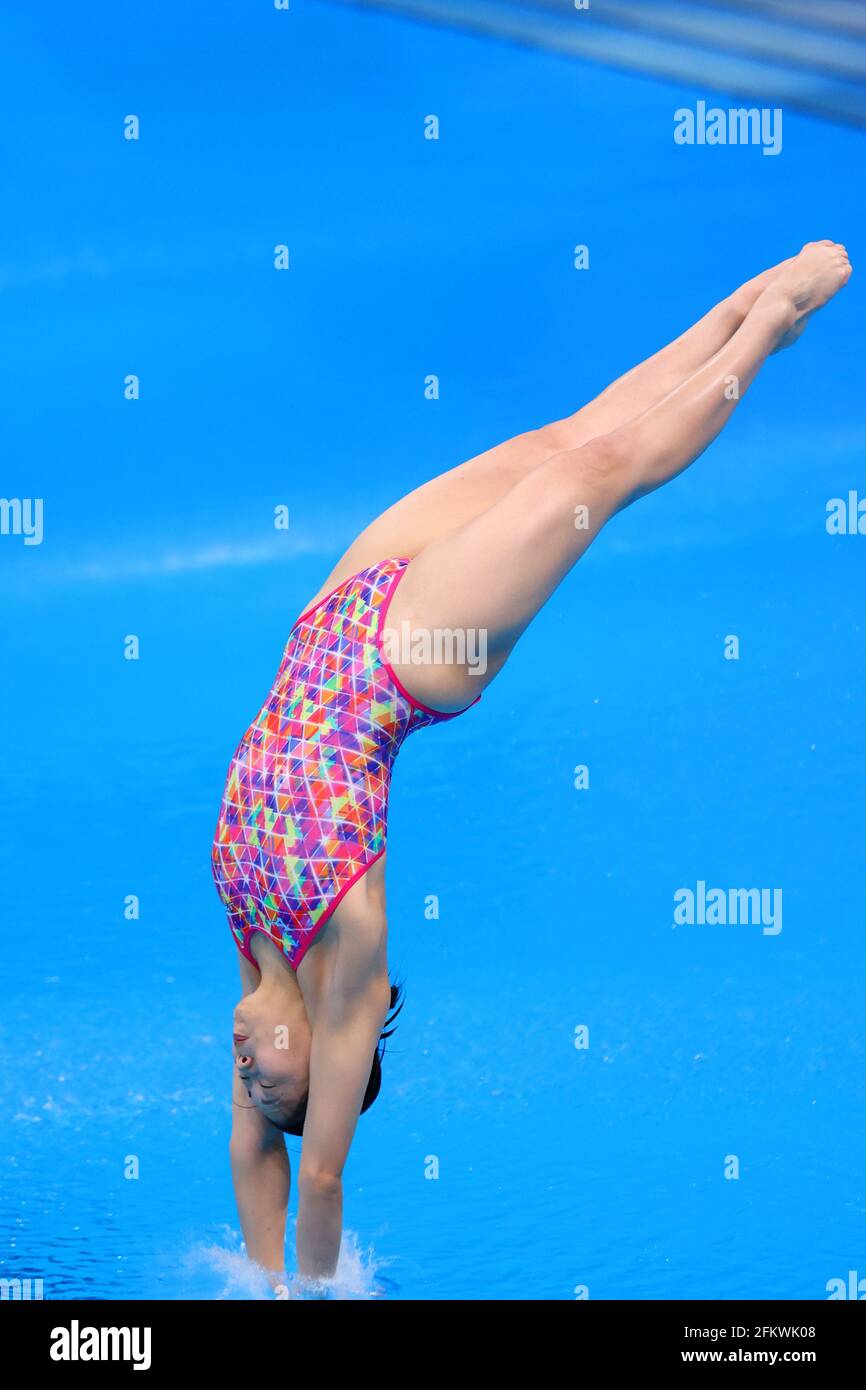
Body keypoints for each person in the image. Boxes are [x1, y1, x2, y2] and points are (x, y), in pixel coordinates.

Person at [212, 241, 851, 1288]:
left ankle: (736, 297)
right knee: (596, 476)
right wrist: (307, 1291)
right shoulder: (349, 956)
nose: (244, 1072)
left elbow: (252, 1152)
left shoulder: (255, 951)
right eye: (270, 1084)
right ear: (327, 1064)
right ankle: (767, 331)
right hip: (409, 663)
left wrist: (255, 1270)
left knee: (559, 436)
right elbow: (315, 1177)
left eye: (249, 1081)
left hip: (336, 610)